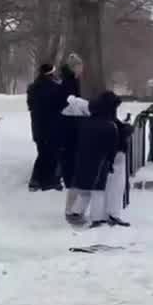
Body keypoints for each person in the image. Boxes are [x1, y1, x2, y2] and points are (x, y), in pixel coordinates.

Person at [64, 91, 121, 229]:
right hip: (100, 163)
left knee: (85, 191)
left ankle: (75, 212)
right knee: (98, 192)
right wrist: (110, 162)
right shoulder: (110, 126)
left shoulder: (85, 123)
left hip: (84, 160)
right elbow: (112, 148)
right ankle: (96, 218)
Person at [26, 64, 62, 191]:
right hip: (51, 127)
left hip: (37, 126)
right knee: (51, 154)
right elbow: (59, 106)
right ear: (50, 73)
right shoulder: (55, 88)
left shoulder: (33, 88)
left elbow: (30, 106)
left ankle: (38, 180)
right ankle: (45, 180)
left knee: (42, 153)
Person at [56, 53, 84, 204]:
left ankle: (67, 176)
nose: (82, 70)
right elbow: (68, 101)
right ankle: (67, 178)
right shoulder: (69, 81)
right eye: (80, 67)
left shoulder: (70, 80)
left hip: (69, 120)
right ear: (74, 67)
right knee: (68, 152)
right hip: (68, 121)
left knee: (68, 152)